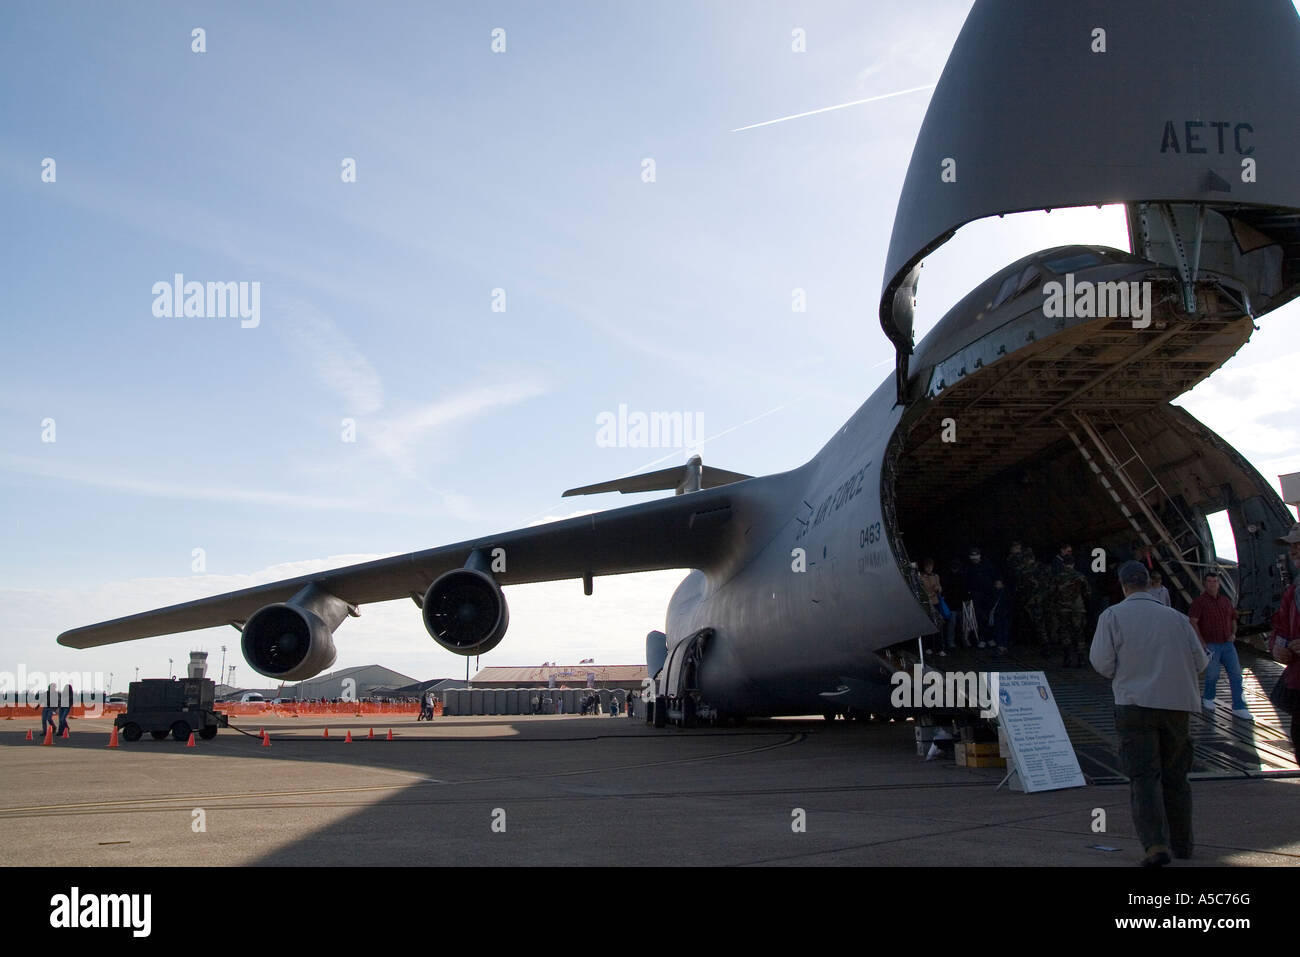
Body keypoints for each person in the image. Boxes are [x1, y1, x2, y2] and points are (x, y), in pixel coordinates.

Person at [1090, 561, 1208, 867]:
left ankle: (1155, 846)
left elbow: (1102, 663)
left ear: (1123, 585)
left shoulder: (1112, 616)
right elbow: (1202, 662)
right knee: (1176, 778)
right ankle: (1183, 845)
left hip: (1134, 706)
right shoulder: (1177, 618)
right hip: (1176, 708)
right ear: (1149, 584)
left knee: (1143, 778)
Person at [1188, 571, 1251, 719]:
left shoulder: (1225, 600)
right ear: (1205, 584)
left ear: (1219, 583)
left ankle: (1239, 706)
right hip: (1211, 644)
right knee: (1212, 675)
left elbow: (1233, 618)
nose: (1213, 584)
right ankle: (1208, 697)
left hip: (1227, 644)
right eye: (1210, 581)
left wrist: (1234, 633)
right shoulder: (1199, 602)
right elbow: (1193, 622)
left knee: (1236, 675)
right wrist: (1202, 643)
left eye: (1215, 581)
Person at [1269, 525, 1300, 764]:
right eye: (1291, 546)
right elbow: (1279, 629)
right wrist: (1277, 649)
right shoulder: (1293, 590)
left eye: (1298, 545)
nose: (1293, 550)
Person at [1051, 554, 1089, 667]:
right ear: (1073, 564)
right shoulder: (1080, 576)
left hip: (1063, 609)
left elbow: (1052, 593)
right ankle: (1081, 659)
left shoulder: (1058, 577)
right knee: (1079, 633)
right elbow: (1087, 592)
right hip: (1078, 608)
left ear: (1063, 564)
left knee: (1065, 632)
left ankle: (1067, 658)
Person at [919, 558, 945, 657]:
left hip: (936, 602)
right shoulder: (921, 577)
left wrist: (938, 588)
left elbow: (939, 587)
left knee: (938, 625)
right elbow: (920, 589)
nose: (929, 568)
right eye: (927, 566)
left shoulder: (935, 576)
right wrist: (928, 595)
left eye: (931, 566)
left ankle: (939, 648)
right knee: (928, 625)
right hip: (926, 603)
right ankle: (928, 647)